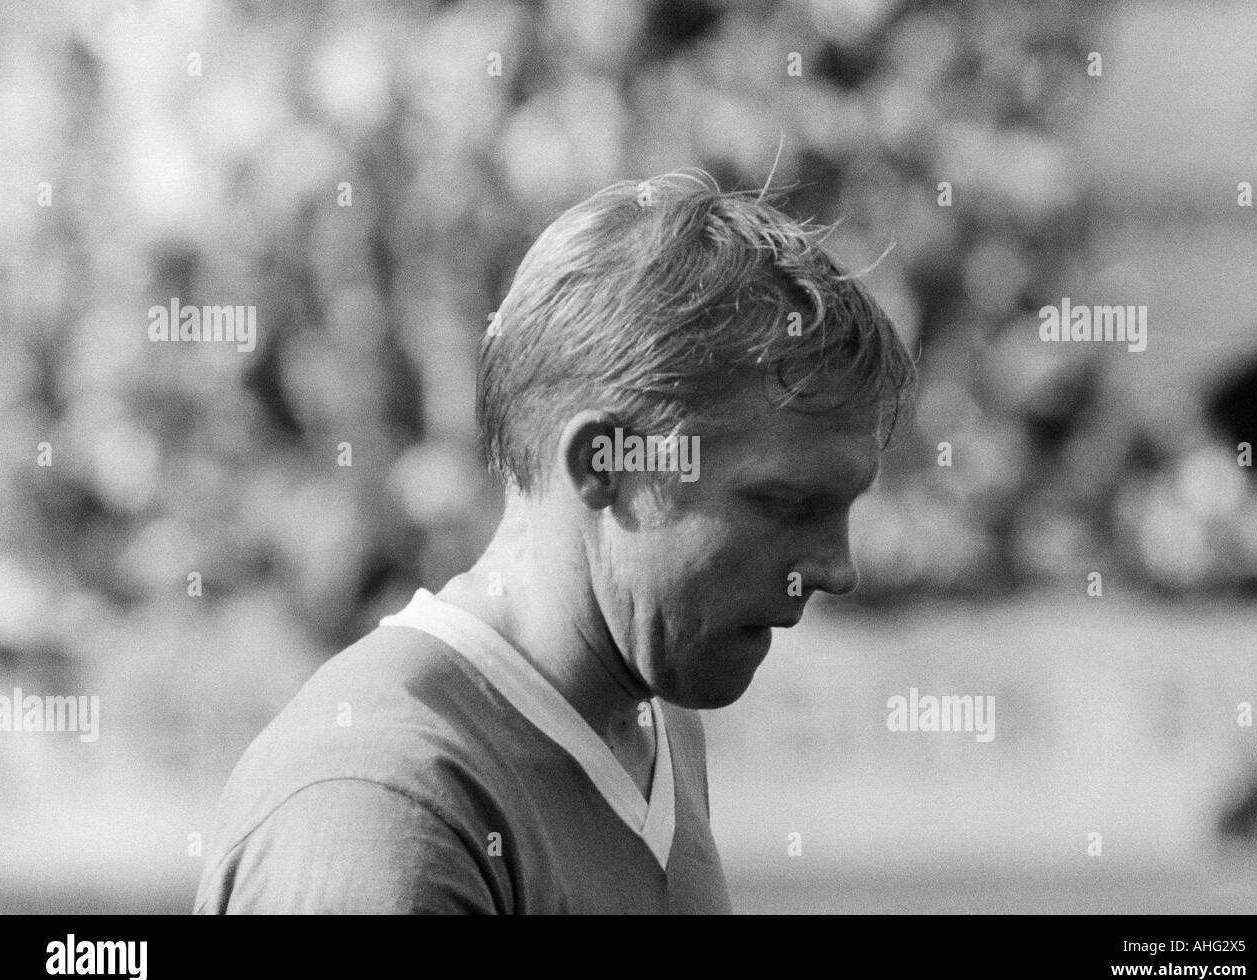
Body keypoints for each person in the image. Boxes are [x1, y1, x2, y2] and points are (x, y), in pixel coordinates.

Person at [194, 169, 917, 914]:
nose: (838, 568)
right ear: (603, 465)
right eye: (786, 503)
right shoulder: (379, 803)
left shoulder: (657, 722)